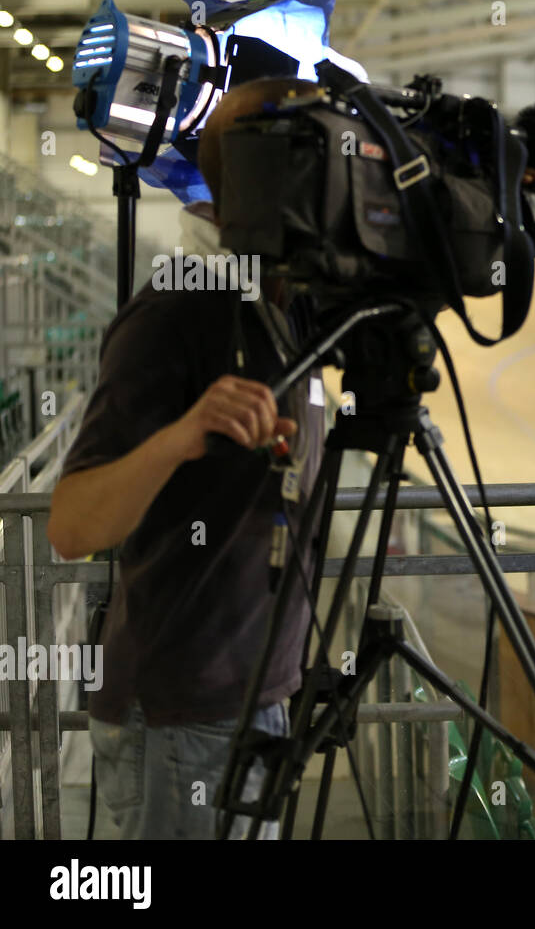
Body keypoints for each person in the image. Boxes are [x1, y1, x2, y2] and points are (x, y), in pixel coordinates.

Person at [47, 77, 327, 839]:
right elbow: (71, 526)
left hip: (248, 694)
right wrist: (180, 436)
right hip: (184, 711)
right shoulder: (174, 314)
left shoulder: (279, 304)